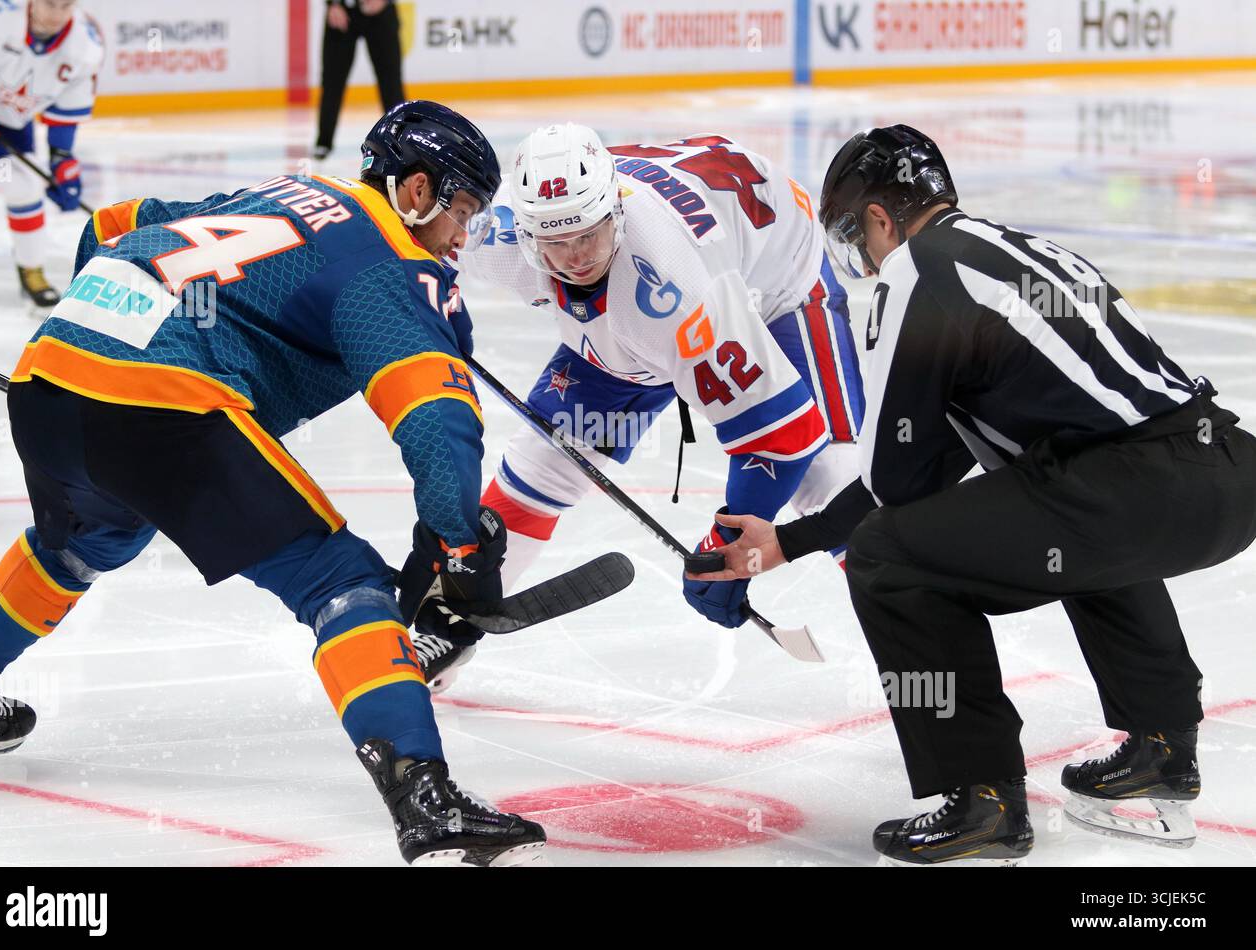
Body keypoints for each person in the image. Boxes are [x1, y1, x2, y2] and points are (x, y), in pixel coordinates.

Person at [0, 100, 547, 867]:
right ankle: (426, 805)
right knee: (343, 581)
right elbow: (437, 423)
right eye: (461, 209)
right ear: (416, 190)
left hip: (50, 379)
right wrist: (461, 547)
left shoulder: (280, 192)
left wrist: (94, 347)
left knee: (85, 539)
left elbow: (115, 223)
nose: (463, 236)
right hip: (160, 405)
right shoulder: (391, 264)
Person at [689, 124, 1256, 865]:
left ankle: (982, 795)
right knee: (1063, 499)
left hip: (1132, 489)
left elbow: (900, 482)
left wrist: (826, 531)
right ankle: (1161, 747)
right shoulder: (1015, 253)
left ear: (881, 220)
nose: (861, 257)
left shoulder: (919, 272)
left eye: (856, 236)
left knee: (890, 559)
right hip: (1223, 476)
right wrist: (789, 542)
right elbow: (961, 450)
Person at [417, 123, 863, 689]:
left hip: (777, 282)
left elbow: (780, 437)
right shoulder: (494, 233)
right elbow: (412, 243)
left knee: (833, 480)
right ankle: (452, 623)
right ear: (525, 234)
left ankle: (923, 648)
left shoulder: (671, 288)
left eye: (588, 234)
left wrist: (726, 552)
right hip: (640, 315)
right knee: (542, 465)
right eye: (555, 241)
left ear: (616, 212)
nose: (576, 257)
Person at [0, 0, 103, 307]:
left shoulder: (85, 46)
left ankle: (32, 271)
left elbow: (64, 120)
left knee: (24, 185)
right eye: (50, 4)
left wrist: (62, 162)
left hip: (9, 117)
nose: (57, 15)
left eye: (66, 6)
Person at [314, 0, 404, 161]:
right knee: (332, 81)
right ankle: (324, 141)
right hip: (343, 8)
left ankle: (400, 140)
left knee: (391, 83)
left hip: (381, 11)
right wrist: (333, 4)